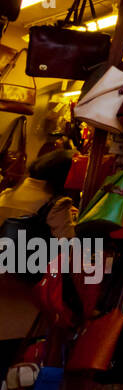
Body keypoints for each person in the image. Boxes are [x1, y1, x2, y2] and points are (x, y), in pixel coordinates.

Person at [0, 150, 76, 371]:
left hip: (3, 289)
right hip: (26, 300)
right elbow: (71, 248)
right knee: (13, 365)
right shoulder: (56, 205)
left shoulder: (7, 195)